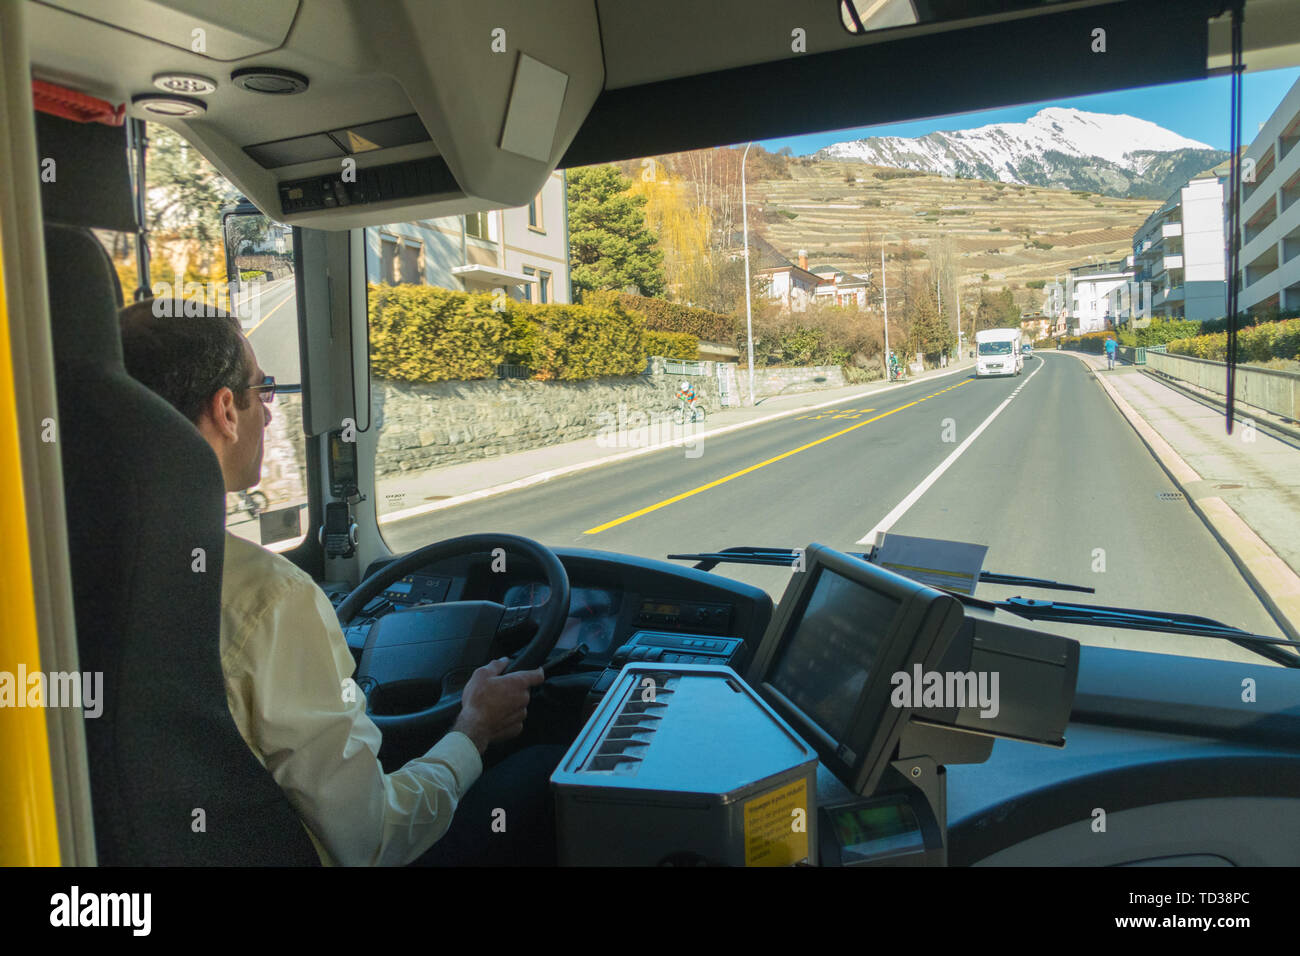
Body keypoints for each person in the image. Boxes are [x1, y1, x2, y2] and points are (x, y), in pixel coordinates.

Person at [118, 299, 557, 866]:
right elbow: (372, 838)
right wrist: (472, 729)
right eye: (264, 388)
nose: (271, 413)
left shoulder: (55, 575)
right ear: (227, 410)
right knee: (544, 764)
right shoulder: (267, 598)